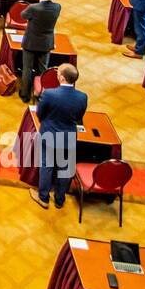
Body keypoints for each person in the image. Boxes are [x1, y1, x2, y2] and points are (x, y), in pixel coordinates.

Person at [29, 64, 88, 210]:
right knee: (64, 168)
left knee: (47, 165)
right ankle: (60, 200)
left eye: (58, 73)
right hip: (68, 137)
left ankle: (43, 197)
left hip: (49, 134)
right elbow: (79, 116)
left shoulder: (49, 94)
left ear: (62, 77)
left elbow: (40, 114)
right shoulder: (82, 97)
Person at [19, 0, 61, 103]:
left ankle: (25, 95)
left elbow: (23, 15)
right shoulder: (57, 7)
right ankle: (42, 93)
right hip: (46, 43)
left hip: (31, 42)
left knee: (27, 68)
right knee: (43, 69)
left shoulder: (34, 8)